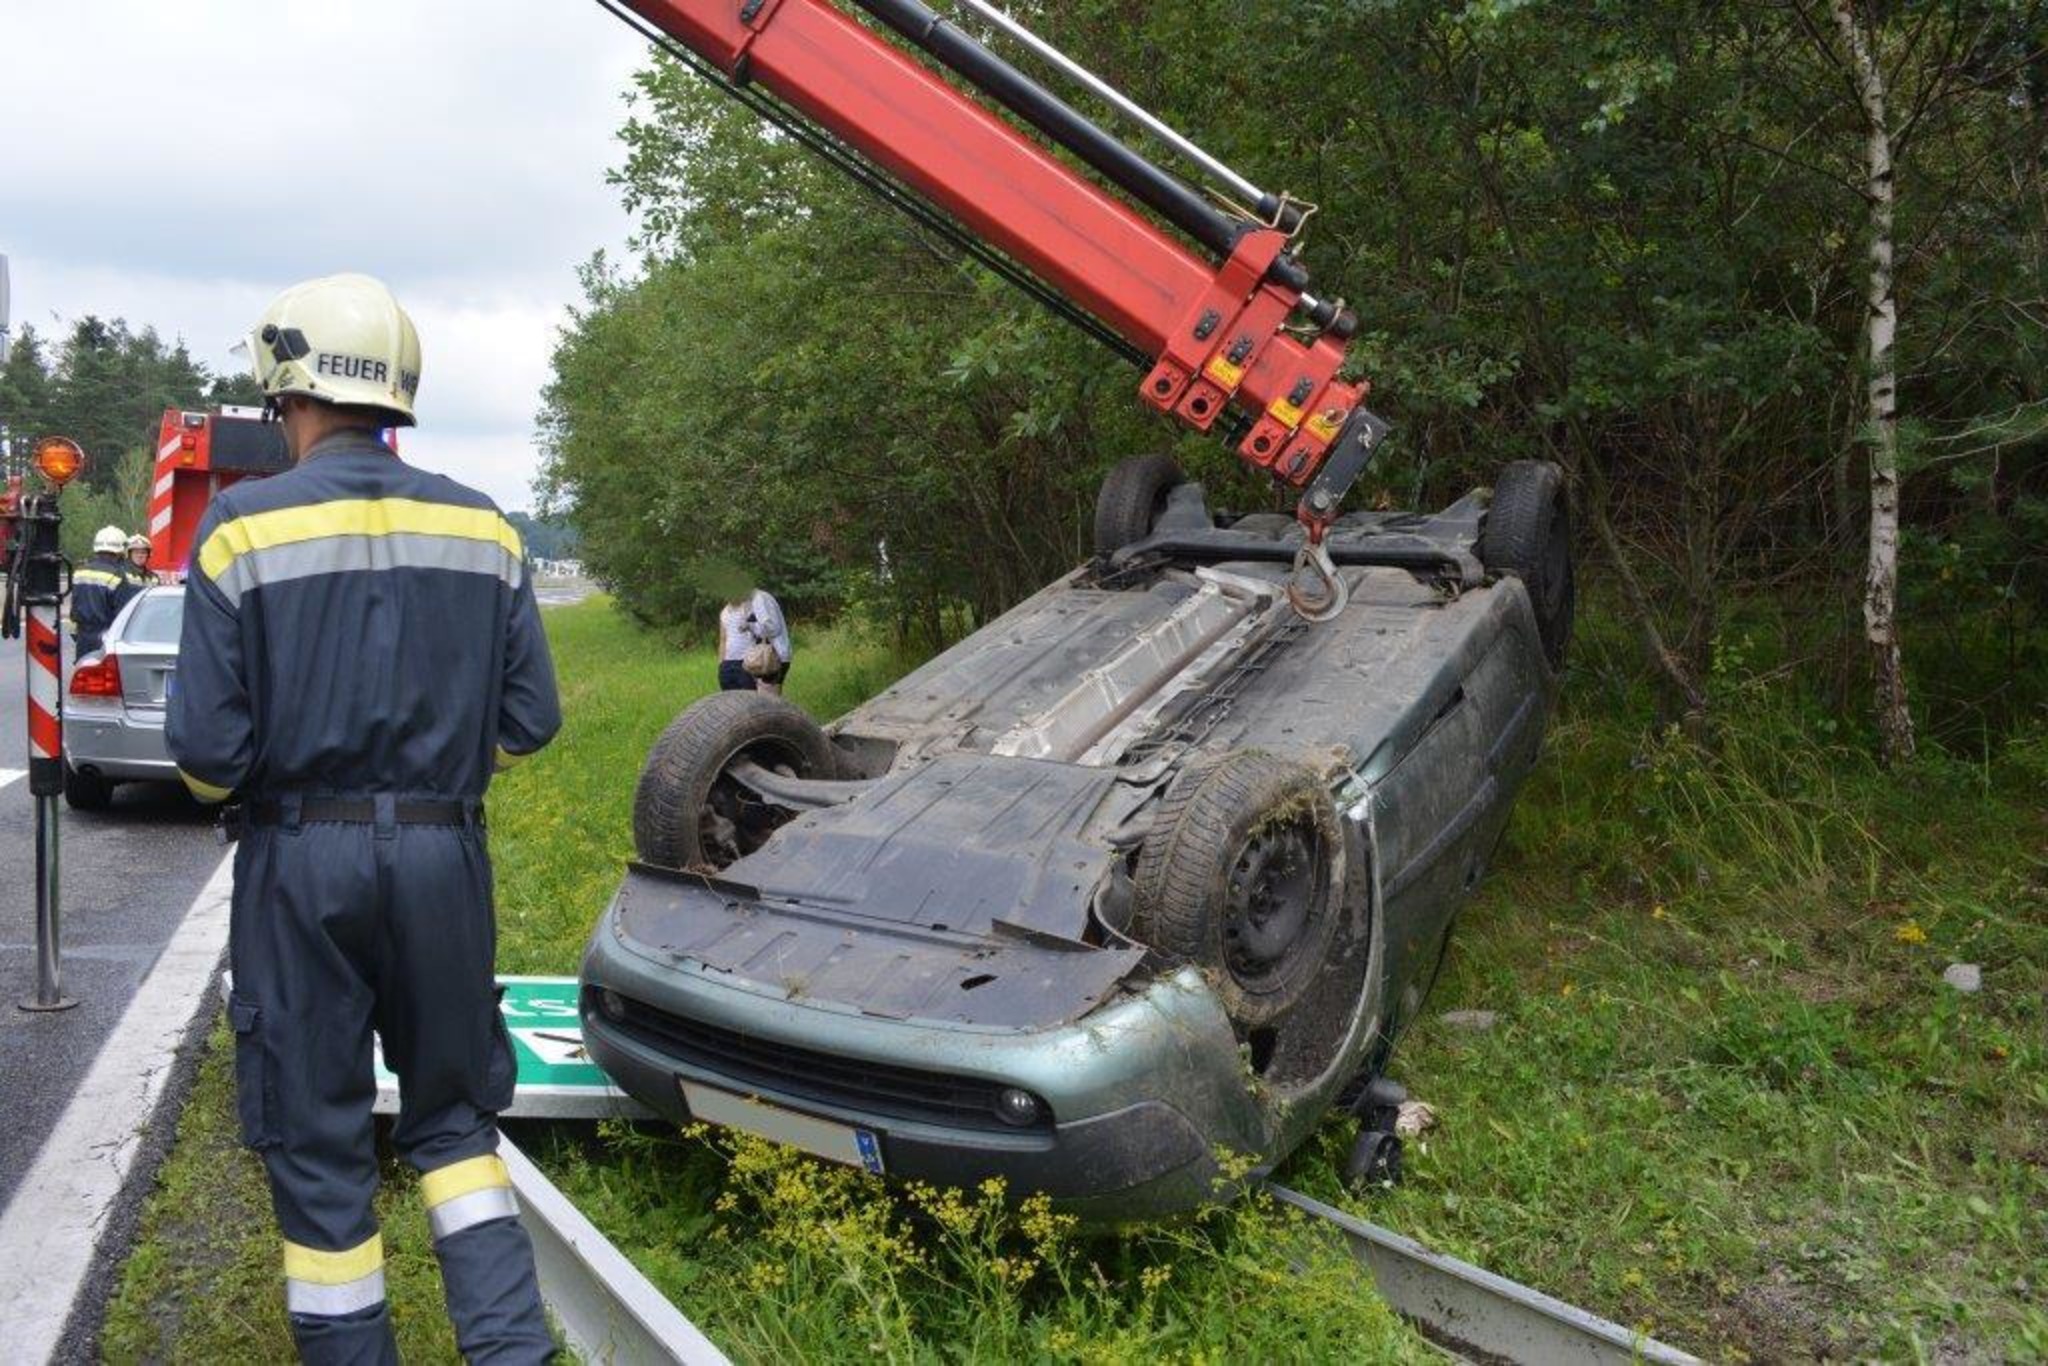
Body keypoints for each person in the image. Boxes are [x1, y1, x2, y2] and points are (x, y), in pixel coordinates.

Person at [166, 273, 560, 1366]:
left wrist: (269, 791)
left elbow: (204, 751)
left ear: (291, 393)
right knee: (454, 1127)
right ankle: (509, 1352)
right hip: (445, 855)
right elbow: (530, 720)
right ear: (396, 393)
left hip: (300, 861)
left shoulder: (239, 528)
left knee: (319, 1140)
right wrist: (432, 772)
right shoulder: (484, 527)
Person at [70, 524, 141, 656]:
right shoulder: (117, 575)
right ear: (121, 550)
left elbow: (75, 606)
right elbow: (122, 612)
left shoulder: (80, 572)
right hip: (106, 635)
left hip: (83, 636)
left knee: (85, 669)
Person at [717, 574, 792, 695]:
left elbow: (772, 628)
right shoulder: (756, 599)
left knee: (768, 702)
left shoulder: (759, 599)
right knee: (766, 701)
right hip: (770, 655)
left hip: (772, 656)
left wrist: (749, 626)